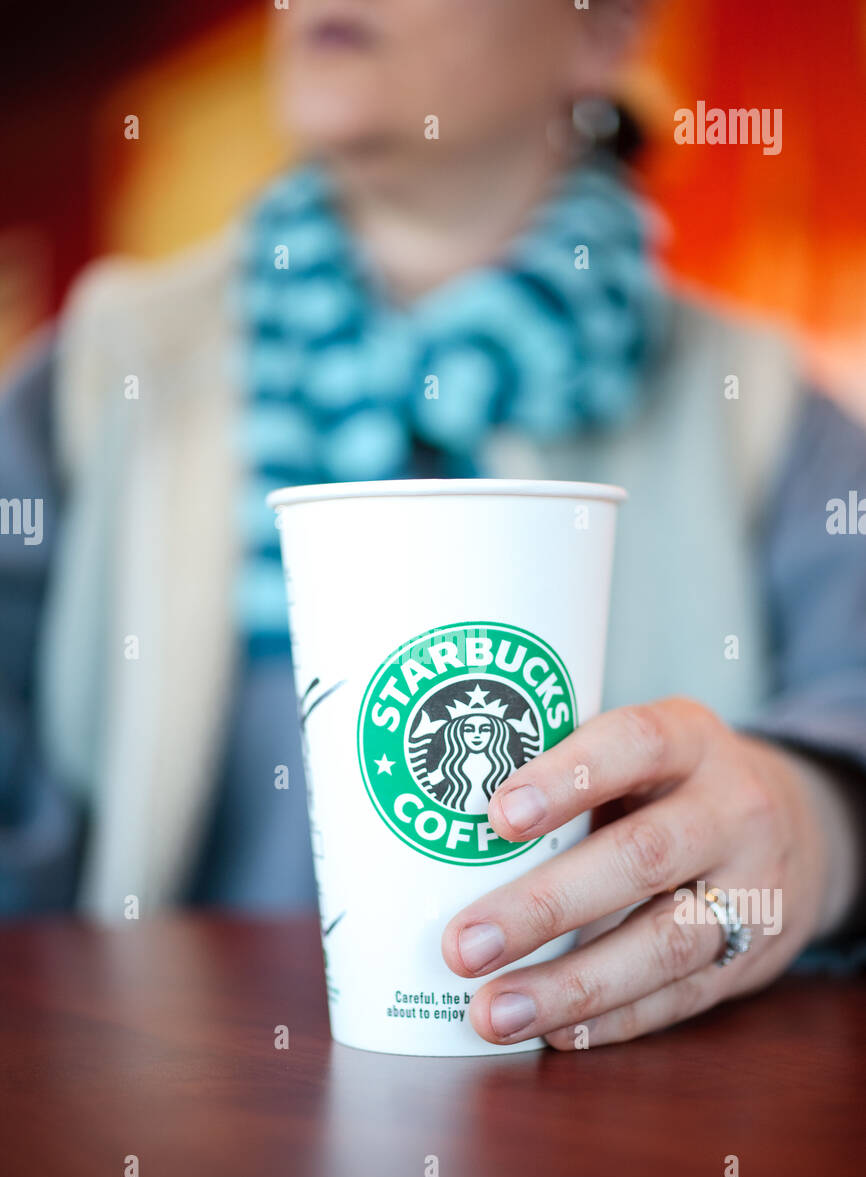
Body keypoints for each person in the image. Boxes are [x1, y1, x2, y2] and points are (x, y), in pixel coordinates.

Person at [1, 0, 864, 1050]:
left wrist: (818, 825)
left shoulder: (760, 410)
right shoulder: (99, 372)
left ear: (602, 34)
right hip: (156, 1102)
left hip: (596, 1128)